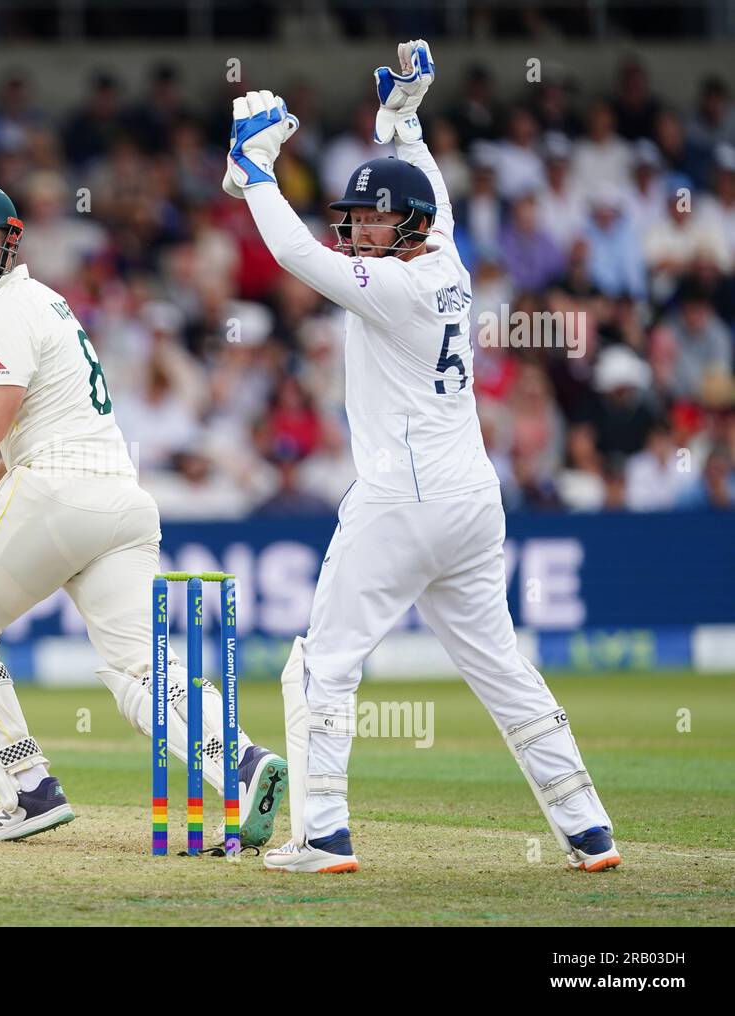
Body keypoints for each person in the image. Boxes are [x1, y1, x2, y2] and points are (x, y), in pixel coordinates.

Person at [224, 41, 619, 874]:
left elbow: (296, 258)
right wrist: (403, 121)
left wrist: (255, 169)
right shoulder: (444, 261)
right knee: (503, 668)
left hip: (400, 499)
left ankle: (323, 834)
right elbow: (430, 191)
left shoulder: (395, 286)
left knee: (321, 664)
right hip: (472, 499)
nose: (359, 231)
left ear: (405, 227)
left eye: (372, 220)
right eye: (355, 220)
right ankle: (587, 827)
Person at [0, 181, 287, 844]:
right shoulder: (49, 304)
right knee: (139, 672)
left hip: (60, 492)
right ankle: (245, 763)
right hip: (121, 501)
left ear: (10, 239)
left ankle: (30, 789)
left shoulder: (3, 309)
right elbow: (40, 427)